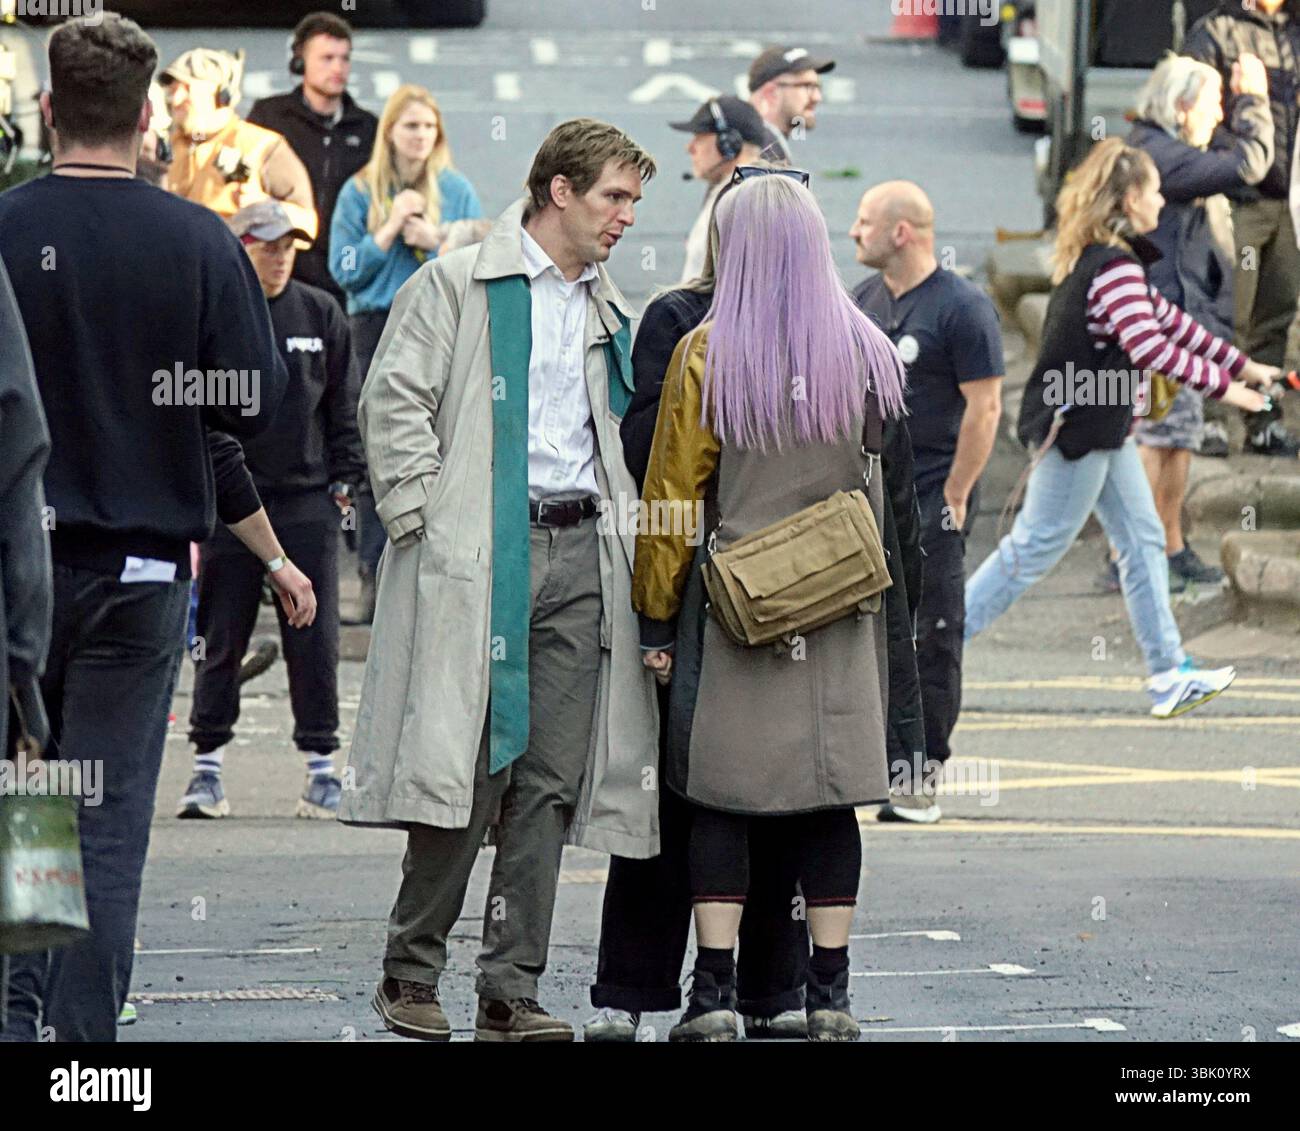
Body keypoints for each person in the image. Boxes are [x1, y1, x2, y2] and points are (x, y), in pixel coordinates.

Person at [0, 13, 296, 1042]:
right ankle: (83, 1059)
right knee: (107, 827)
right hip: (142, 568)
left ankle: (16, 1020)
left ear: (48, 108)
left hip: (18, 565)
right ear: (145, 121)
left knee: (26, 805)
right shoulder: (198, 238)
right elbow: (257, 401)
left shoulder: (5, 226)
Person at [585, 165, 927, 1043]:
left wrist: (657, 619)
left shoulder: (706, 353)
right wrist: (903, 616)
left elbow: (670, 503)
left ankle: (714, 995)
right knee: (829, 801)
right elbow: (899, 502)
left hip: (736, 609)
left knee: (721, 800)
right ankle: (832, 994)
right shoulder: (867, 350)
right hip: (845, 608)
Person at [340, 118, 660, 1043]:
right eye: (614, 197)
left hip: (580, 552)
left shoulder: (606, 304)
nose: (626, 217)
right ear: (559, 191)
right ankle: (410, 972)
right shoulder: (459, 281)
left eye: (633, 201)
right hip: (485, 552)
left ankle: (508, 990)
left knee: (551, 781)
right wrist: (418, 521)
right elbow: (392, 398)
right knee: (464, 768)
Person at [967, 139, 1280, 721]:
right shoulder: (1113, 269)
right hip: (1079, 432)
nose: (1163, 198)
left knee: (1141, 541)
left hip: (1102, 432)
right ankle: (935, 647)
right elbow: (1150, 345)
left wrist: (1245, 366)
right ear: (1130, 197)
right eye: (1155, 190)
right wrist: (1228, 389)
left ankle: (1168, 675)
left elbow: (1175, 325)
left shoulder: (1113, 260)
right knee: (1033, 549)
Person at [178, 201, 365, 821]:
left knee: (314, 638)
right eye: (267, 244)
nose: (280, 255)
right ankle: (206, 768)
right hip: (233, 502)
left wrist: (345, 479)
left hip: (305, 500)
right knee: (220, 634)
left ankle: (321, 768)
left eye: (289, 244)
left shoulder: (320, 312)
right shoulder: (219, 310)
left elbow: (343, 406)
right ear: (243, 247)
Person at [851, 181, 1004, 824]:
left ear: (901, 232)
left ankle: (920, 776)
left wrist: (957, 493)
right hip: (868, 501)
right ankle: (869, 763)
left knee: (933, 636)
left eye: (864, 222)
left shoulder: (962, 307)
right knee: (867, 636)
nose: (854, 232)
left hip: (932, 500)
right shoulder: (860, 301)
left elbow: (986, 405)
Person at [329, 84, 482, 623]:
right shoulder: (359, 192)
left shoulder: (455, 189)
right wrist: (391, 227)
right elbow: (344, 267)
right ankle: (370, 574)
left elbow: (478, 259)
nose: (420, 136)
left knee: (435, 444)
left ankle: (430, 576)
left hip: (438, 322)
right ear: (389, 131)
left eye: (428, 126)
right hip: (373, 324)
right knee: (375, 448)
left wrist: (435, 235)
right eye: (410, 125)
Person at [1121, 53, 1274, 592]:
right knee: (1155, 437)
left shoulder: (1166, 146)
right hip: (1157, 318)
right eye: (1213, 103)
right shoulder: (1162, 153)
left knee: (1177, 435)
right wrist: (1255, 97)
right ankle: (1140, 554)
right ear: (1183, 105)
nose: (1219, 113)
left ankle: (1168, 547)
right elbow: (1248, 165)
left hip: (1176, 314)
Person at [1185, 0, 1300, 456]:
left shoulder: (1294, 30)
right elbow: (1193, 111)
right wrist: (1235, 161)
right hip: (1235, 199)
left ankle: (1263, 422)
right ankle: (1209, 420)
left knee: (1276, 317)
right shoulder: (1217, 30)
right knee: (1226, 315)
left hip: (1289, 201)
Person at [247, 11, 379, 306]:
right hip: (284, 268)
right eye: (327, 58)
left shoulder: (368, 127)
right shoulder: (270, 116)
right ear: (300, 61)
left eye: (345, 58)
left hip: (343, 275)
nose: (338, 67)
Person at [161, 46, 317, 241]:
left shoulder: (262, 145)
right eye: (173, 91)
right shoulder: (163, 148)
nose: (175, 100)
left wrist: (266, 206)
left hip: (235, 266)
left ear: (221, 95)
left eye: (187, 89)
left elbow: (309, 222)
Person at [669, 96, 766, 282]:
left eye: (699, 137)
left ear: (728, 143)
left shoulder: (737, 202)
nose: (689, 147)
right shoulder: (748, 193)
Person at [746, 44, 835, 164]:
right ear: (771, 93)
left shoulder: (763, 145)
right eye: (807, 86)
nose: (817, 97)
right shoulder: (761, 153)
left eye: (818, 87)